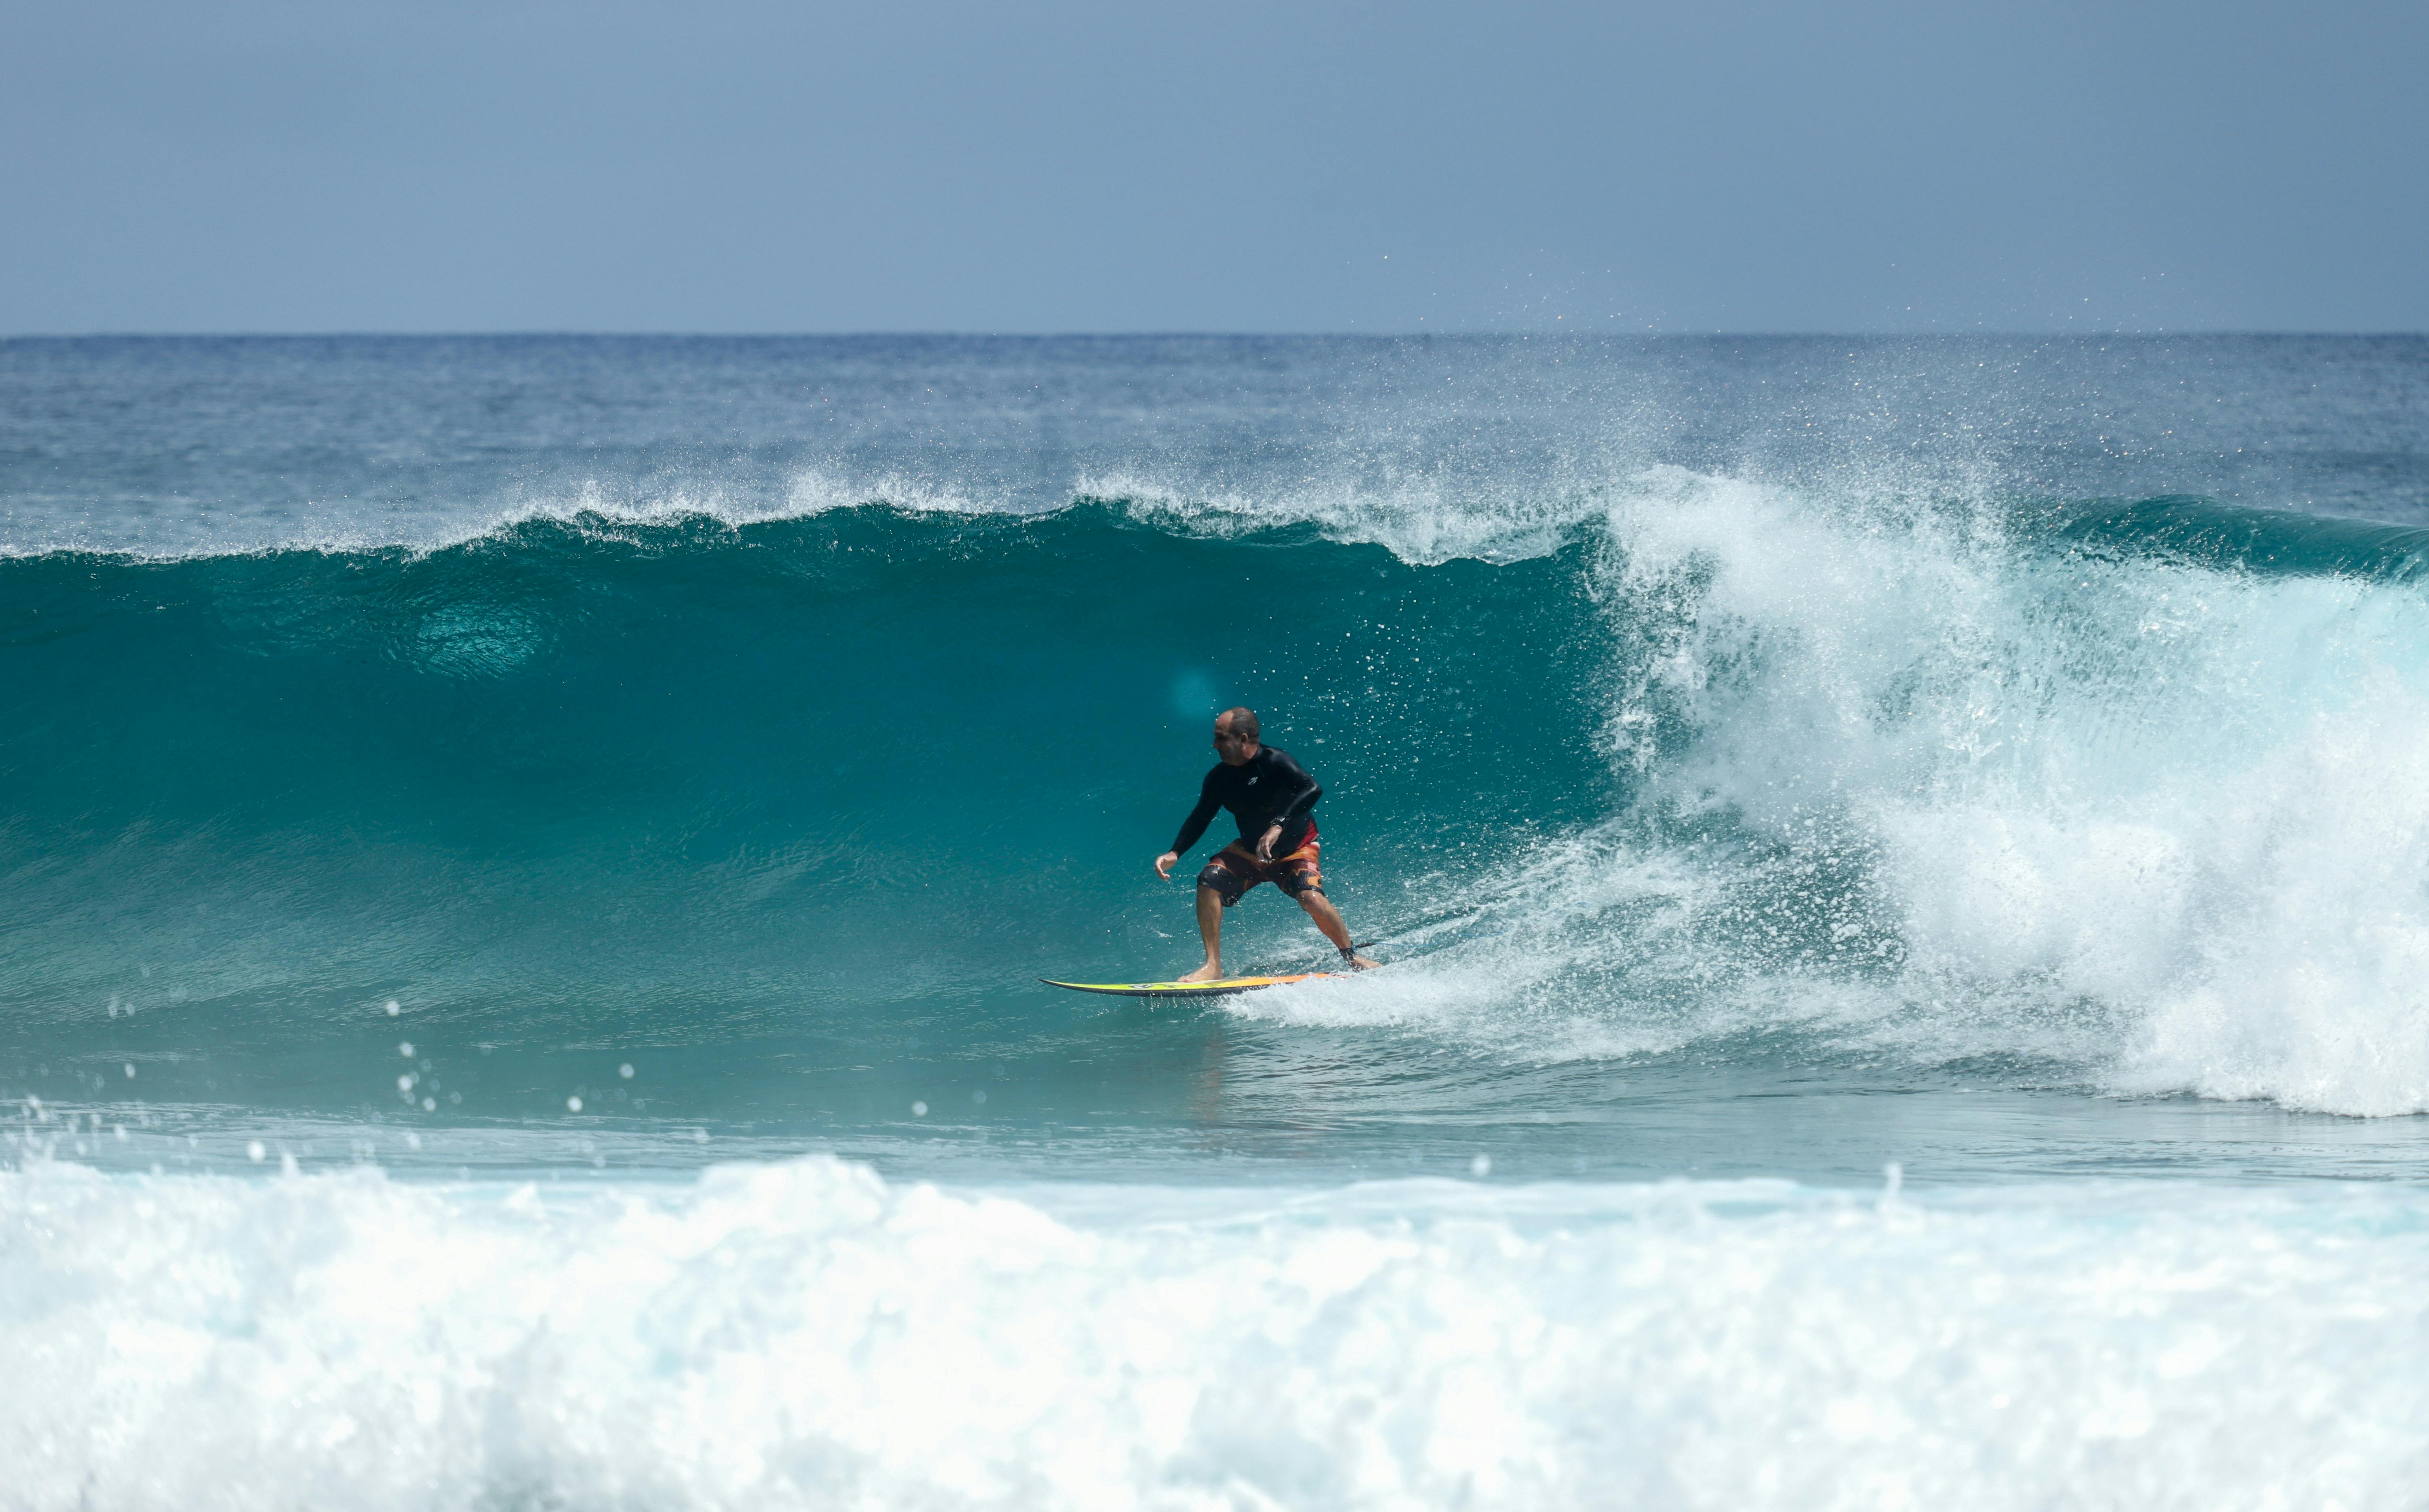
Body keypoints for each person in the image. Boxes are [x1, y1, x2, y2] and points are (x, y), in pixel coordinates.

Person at [1154, 707, 1380, 982]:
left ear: (1244, 738)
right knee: (1208, 880)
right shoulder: (1219, 777)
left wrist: (1278, 824)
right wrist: (1175, 852)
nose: (1214, 745)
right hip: (1250, 852)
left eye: (1221, 738)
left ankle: (1351, 956)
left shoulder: (1275, 761)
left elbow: (1311, 788)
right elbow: (1201, 814)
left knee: (1310, 896)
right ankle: (1213, 966)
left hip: (1295, 849)